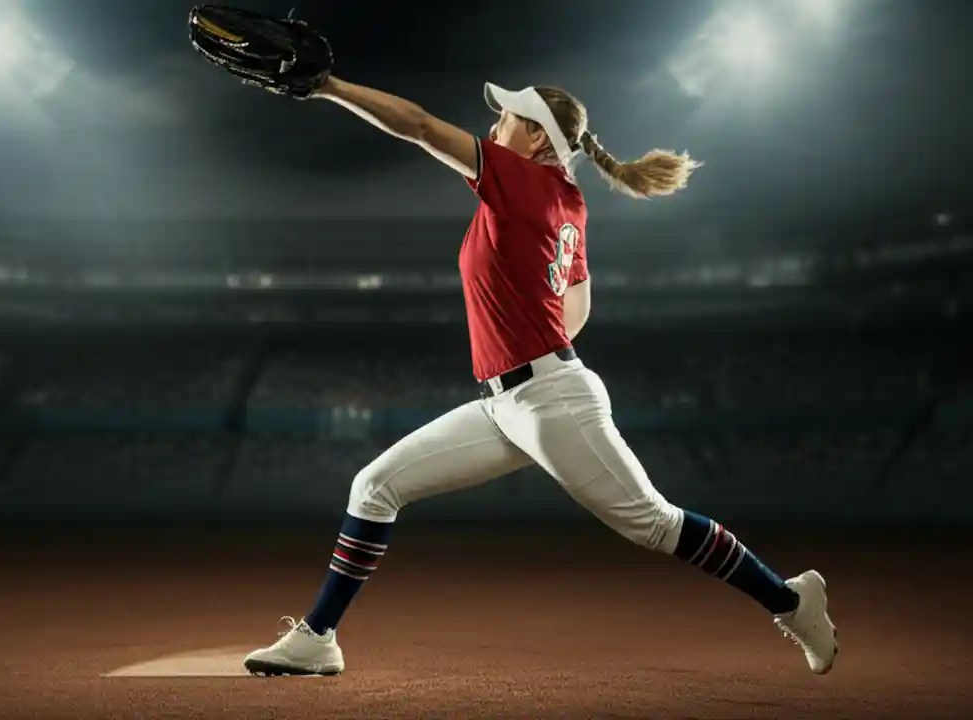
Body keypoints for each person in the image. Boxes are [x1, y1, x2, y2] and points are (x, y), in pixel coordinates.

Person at [243, 75, 837, 676]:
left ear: (535, 137)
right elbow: (576, 307)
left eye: (507, 117)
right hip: (513, 400)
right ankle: (318, 636)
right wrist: (530, 333)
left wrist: (326, 86)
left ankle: (790, 602)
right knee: (374, 486)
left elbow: (417, 124)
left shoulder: (521, 181)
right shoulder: (564, 196)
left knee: (655, 524)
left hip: (551, 400)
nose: (495, 125)